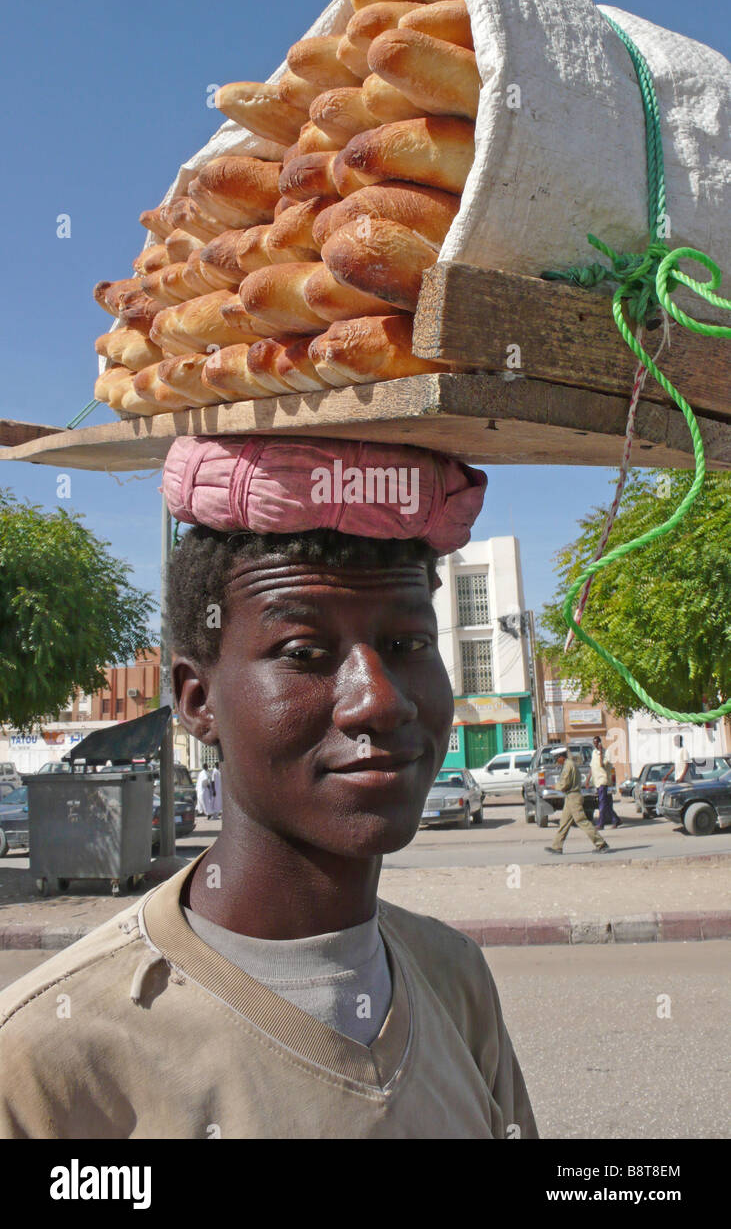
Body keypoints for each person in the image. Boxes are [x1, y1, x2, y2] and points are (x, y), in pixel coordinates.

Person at [0, 435, 537, 1140]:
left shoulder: (455, 978)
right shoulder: (46, 1059)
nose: (378, 701)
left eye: (408, 645)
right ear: (197, 701)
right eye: (304, 653)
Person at [546, 748, 610, 856]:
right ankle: (557, 847)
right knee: (564, 823)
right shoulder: (570, 764)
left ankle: (601, 844)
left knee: (582, 821)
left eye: (557, 759)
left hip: (573, 797)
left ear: (561, 757)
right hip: (570, 797)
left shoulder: (568, 766)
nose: (556, 761)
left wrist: (554, 786)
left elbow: (564, 784)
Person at [590, 735, 621, 829]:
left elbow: (602, 765)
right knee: (606, 803)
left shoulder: (606, 753)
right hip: (597, 781)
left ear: (600, 743)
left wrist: (601, 753)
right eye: (594, 743)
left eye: (597, 743)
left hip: (603, 780)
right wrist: (588, 780)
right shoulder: (594, 752)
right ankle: (616, 820)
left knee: (602, 803)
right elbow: (592, 766)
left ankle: (601, 823)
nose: (595, 745)